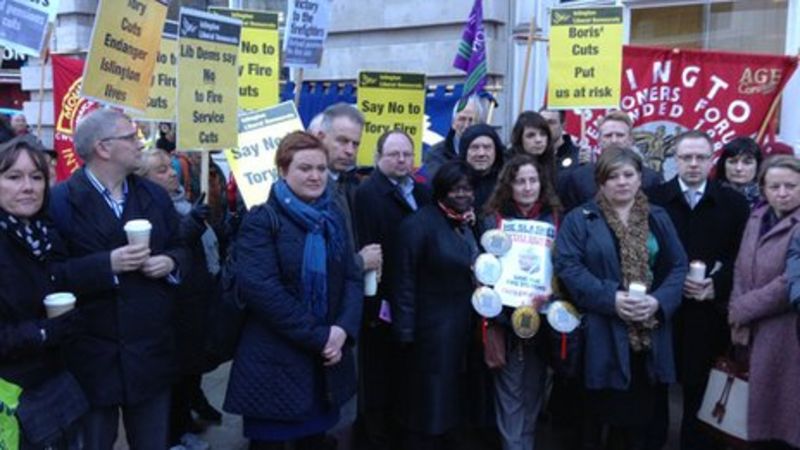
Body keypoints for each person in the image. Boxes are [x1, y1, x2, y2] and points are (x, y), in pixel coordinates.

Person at [48, 108, 187, 450]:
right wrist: (105, 264)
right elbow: (50, 274)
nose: (140, 142)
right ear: (103, 148)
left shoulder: (152, 195)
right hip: (91, 355)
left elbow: (183, 247)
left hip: (150, 351)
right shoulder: (60, 201)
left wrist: (170, 262)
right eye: (131, 136)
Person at [224, 131, 362, 450]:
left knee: (315, 441)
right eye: (304, 168)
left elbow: (352, 277)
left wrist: (342, 330)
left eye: (320, 168)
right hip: (275, 362)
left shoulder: (333, 217)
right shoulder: (262, 219)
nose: (315, 176)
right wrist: (321, 336)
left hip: (325, 363)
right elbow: (261, 290)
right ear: (283, 171)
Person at [555, 146, 687, 450]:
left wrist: (658, 302)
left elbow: (678, 266)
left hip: (647, 335)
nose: (622, 182)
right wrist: (611, 298)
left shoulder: (658, 217)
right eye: (613, 176)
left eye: (628, 175)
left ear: (640, 179)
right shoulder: (581, 218)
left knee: (638, 426)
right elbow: (568, 266)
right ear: (600, 182)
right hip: (600, 336)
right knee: (595, 421)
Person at [646, 131, 750, 450]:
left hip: (707, 313)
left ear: (711, 160)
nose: (693, 164)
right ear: (674, 160)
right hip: (662, 311)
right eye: (686, 157)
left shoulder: (733, 202)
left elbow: (743, 257)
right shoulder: (654, 198)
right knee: (654, 391)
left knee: (699, 393)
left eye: (701, 157)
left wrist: (716, 285)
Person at [0, 136, 88, 449]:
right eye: (13, 177)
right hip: (11, 400)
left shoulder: (43, 234)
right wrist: (42, 333)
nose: (28, 186)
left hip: (54, 387)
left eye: (37, 177)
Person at [392, 160, 481, 449]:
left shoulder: (464, 224)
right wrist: (405, 331)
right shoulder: (419, 224)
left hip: (461, 331)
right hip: (429, 334)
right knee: (427, 407)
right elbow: (402, 279)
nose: (462, 194)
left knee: (450, 403)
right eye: (455, 188)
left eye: (467, 188)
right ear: (441, 190)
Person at [354, 129, 432, 450]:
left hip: (416, 297)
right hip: (383, 301)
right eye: (394, 154)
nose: (401, 160)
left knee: (406, 377)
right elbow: (368, 246)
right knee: (379, 380)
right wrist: (374, 305)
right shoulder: (368, 194)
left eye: (406, 154)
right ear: (378, 158)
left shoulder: (422, 192)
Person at [138, 148, 221, 450]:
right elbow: (167, 243)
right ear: (143, 179)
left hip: (198, 298)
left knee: (192, 367)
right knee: (178, 373)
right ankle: (175, 433)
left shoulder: (182, 202)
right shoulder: (148, 208)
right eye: (161, 170)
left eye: (170, 167)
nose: (172, 172)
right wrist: (193, 223)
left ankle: (187, 420)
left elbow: (205, 245)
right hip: (176, 304)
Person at [481, 154, 561, 450]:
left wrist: (552, 294)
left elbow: (564, 267)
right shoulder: (493, 219)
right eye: (520, 181)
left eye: (533, 180)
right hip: (506, 320)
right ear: (508, 185)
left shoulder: (555, 218)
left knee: (534, 393)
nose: (527, 187)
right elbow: (484, 270)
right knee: (510, 395)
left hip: (543, 320)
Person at [728, 155, 800, 450]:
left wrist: (743, 308)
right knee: (758, 415)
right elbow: (740, 266)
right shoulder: (757, 216)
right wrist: (737, 304)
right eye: (775, 186)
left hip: (786, 331)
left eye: (791, 186)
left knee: (783, 416)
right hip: (751, 328)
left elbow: (789, 281)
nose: (782, 193)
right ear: (763, 189)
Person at [557, 111, 662, 212]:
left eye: (620, 135)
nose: (614, 140)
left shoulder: (650, 178)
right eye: (608, 135)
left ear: (631, 139)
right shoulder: (579, 178)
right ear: (599, 140)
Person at [423, 96, 483, 181]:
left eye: (471, 120)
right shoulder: (435, 155)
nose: (466, 125)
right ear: (453, 123)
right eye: (462, 119)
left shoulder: (491, 153)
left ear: (479, 124)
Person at [507, 111, 560, 204]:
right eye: (531, 135)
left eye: (543, 134)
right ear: (519, 139)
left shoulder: (553, 164)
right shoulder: (506, 166)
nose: (538, 140)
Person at [459, 124, 505, 212]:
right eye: (475, 147)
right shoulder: (451, 182)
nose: (481, 153)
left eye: (487, 147)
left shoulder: (508, 181)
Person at [713, 137, 763, 209]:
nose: (738, 168)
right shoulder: (708, 196)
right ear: (723, 164)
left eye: (747, 163)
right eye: (732, 162)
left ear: (758, 166)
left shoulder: (768, 200)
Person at [539, 108, 580, 173]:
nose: (545, 127)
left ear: (563, 125)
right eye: (542, 122)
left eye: (551, 122)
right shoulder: (532, 155)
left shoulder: (578, 157)